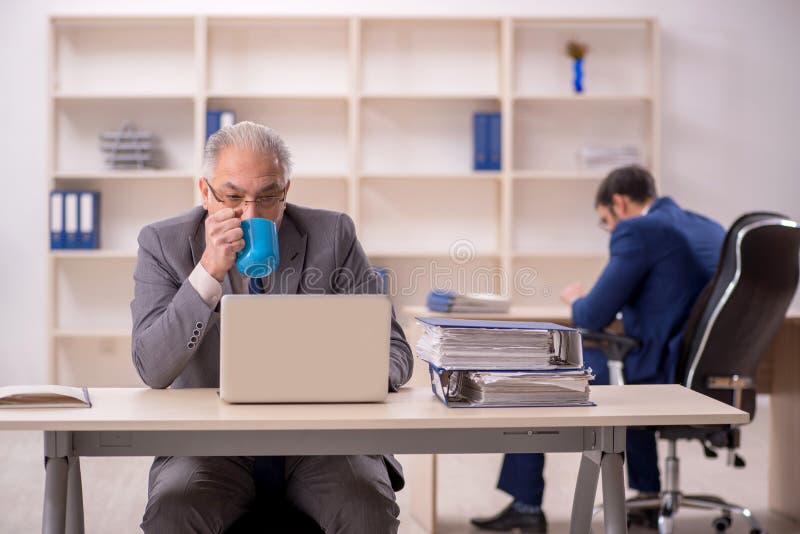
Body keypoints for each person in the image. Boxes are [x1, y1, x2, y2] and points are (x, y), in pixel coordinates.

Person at [131, 121, 414, 533]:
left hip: (322, 441)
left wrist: (361, 377)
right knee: (174, 511)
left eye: (267, 197)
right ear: (205, 192)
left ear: (286, 192)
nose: (250, 214)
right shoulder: (162, 243)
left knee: (366, 507)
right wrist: (207, 272)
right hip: (210, 444)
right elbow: (152, 368)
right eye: (233, 197)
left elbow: (395, 350)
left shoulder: (333, 236)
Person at [471, 165, 725, 532]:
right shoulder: (709, 227)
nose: (611, 229)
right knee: (617, 363)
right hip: (704, 371)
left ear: (618, 203)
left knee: (536, 371)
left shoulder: (638, 229)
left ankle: (527, 505)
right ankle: (647, 496)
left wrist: (575, 298)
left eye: (606, 221)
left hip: (657, 371)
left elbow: (591, 316)